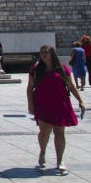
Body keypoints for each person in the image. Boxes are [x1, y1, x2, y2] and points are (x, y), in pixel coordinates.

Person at [27, 45, 85, 173]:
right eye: (41, 52)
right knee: (44, 131)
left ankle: (60, 160)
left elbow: (71, 86)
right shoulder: (36, 69)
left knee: (59, 131)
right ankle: (42, 152)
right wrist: (30, 104)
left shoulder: (61, 69)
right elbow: (30, 87)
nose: (43, 55)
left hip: (60, 103)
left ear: (52, 54)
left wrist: (80, 101)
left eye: (46, 52)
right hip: (43, 103)